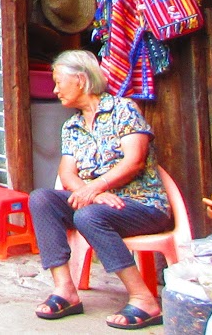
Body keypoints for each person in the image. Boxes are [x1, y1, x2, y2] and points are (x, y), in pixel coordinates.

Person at [32, 50, 170, 330]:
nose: (55, 90)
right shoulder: (71, 126)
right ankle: (65, 291)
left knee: (88, 216)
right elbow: (67, 172)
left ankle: (145, 300)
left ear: (81, 80)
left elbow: (134, 161)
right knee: (41, 199)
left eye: (59, 82)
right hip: (100, 203)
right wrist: (91, 193)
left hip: (142, 205)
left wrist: (95, 189)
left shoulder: (123, 109)